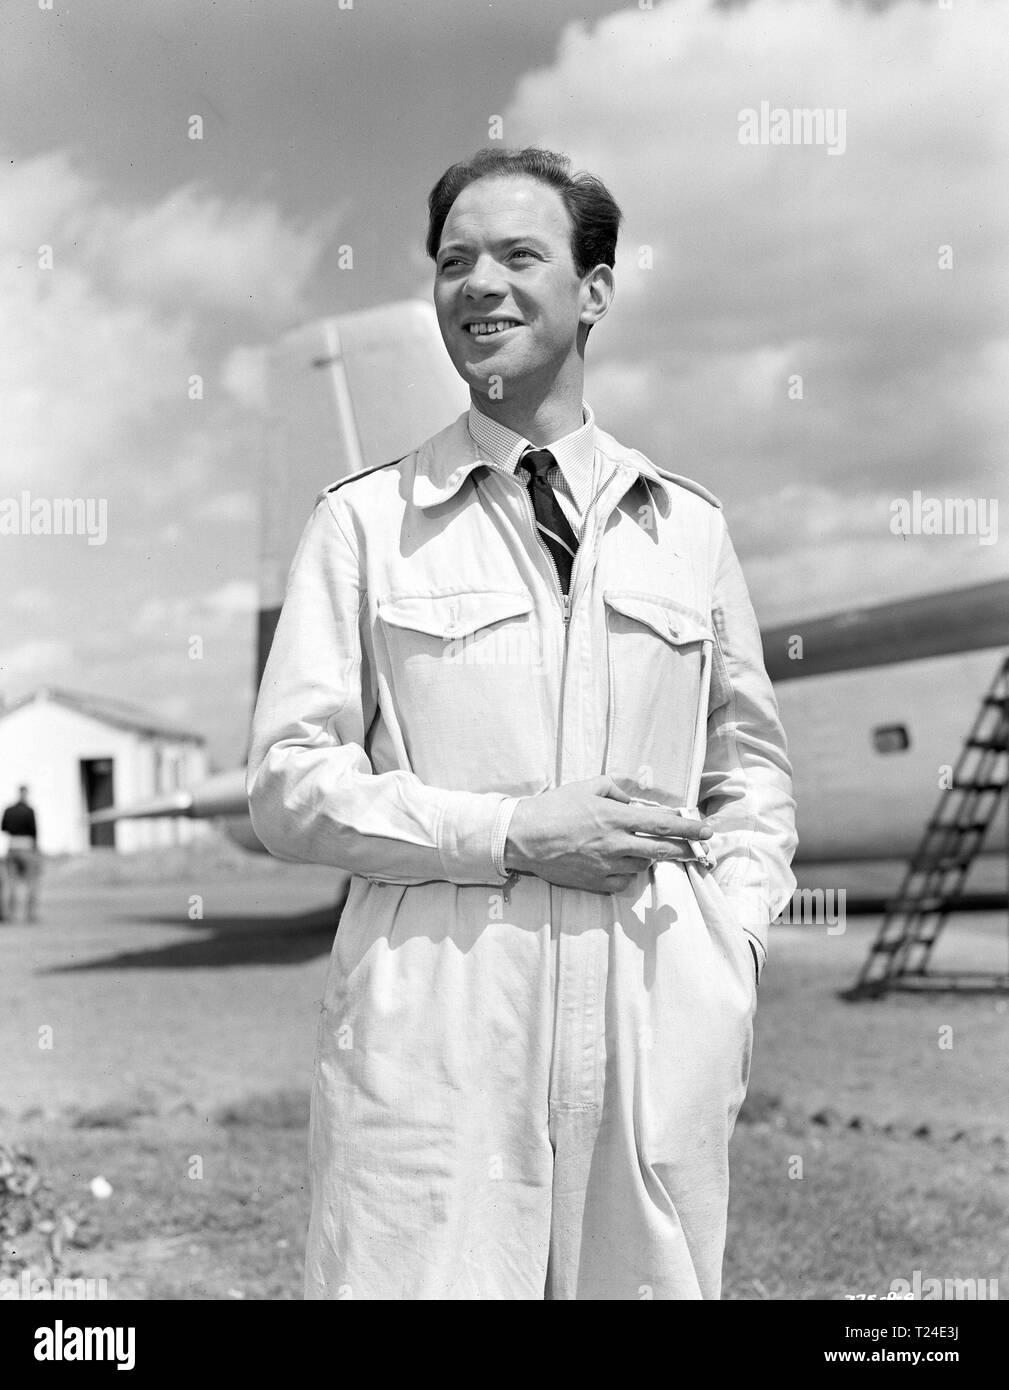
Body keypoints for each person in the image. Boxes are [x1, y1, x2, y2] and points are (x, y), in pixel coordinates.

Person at [247, 147, 797, 1300]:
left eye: (515, 254)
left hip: (656, 1033)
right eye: (451, 262)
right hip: (435, 1051)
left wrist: (725, 947)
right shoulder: (360, 524)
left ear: (593, 289)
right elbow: (287, 783)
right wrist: (510, 830)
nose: (476, 283)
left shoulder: (687, 528)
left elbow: (747, 769)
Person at [0, 785, 41, 924]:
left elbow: (3, 827)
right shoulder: (29, 811)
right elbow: (34, 831)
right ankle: (30, 914)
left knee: (11, 883)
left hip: (12, 846)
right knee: (31, 882)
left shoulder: (9, 810)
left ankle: (11, 915)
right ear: (26, 793)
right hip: (27, 847)